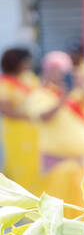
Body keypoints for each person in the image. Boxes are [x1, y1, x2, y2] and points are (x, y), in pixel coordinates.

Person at [33, 51, 84, 209]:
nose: (58, 74)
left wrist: (82, 85)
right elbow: (45, 117)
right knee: (58, 213)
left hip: (83, 164)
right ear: (46, 71)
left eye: (62, 70)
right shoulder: (41, 94)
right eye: (54, 69)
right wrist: (64, 96)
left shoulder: (78, 92)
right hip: (58, 166)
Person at [0, 47, 45, 192]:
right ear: (15, 63)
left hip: (34, 131)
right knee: (18, 166)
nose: (28, 65)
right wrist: (32, 115)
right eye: (26, 61)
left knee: (35, 167)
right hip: (16, 132)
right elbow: (7, 111)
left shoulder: (28, 78)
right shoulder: (4, 84)